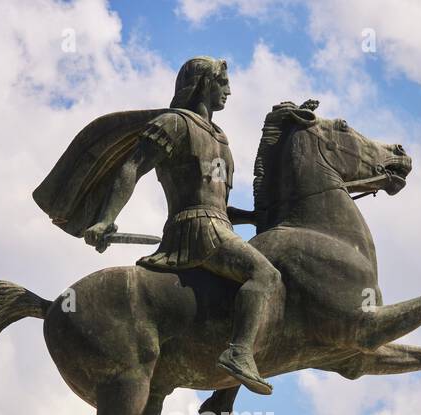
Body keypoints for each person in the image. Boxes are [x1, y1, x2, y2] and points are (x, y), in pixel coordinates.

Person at [81, 56, 283, 396]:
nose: (229, 92)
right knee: (266, 276)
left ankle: (222, 399)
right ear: (204, 84)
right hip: (195, 230)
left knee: (239, 302)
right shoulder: (174, 124)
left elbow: (214, 200)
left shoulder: (220, 137)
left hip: (218, 226)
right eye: (223, 83)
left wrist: (252, 217)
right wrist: (106, 217)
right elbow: (133, 167)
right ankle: (238, 354)